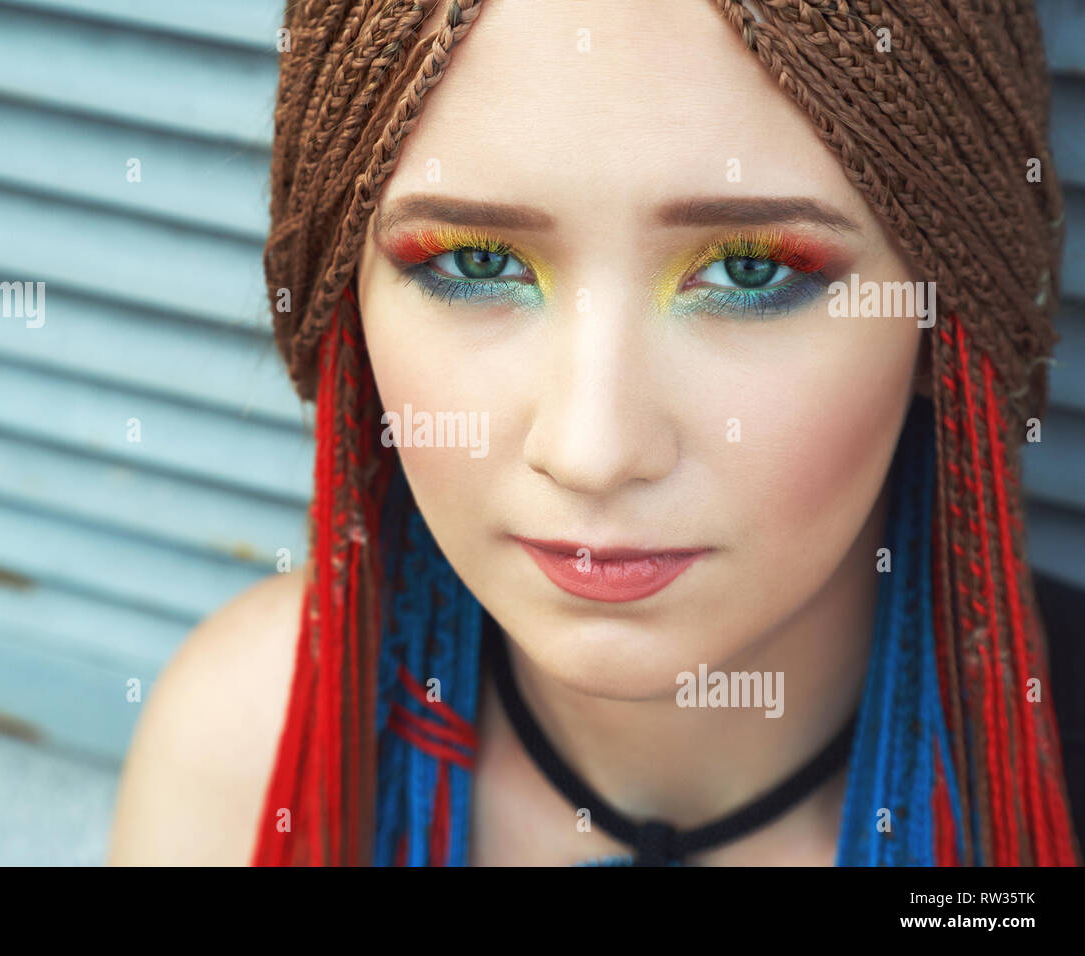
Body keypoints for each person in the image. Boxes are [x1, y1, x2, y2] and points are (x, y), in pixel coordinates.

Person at [108, 0, 1081, 866]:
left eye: (746, 271)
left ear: (944, 317)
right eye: (477, 261)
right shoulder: (239, 747)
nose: (590, 449)